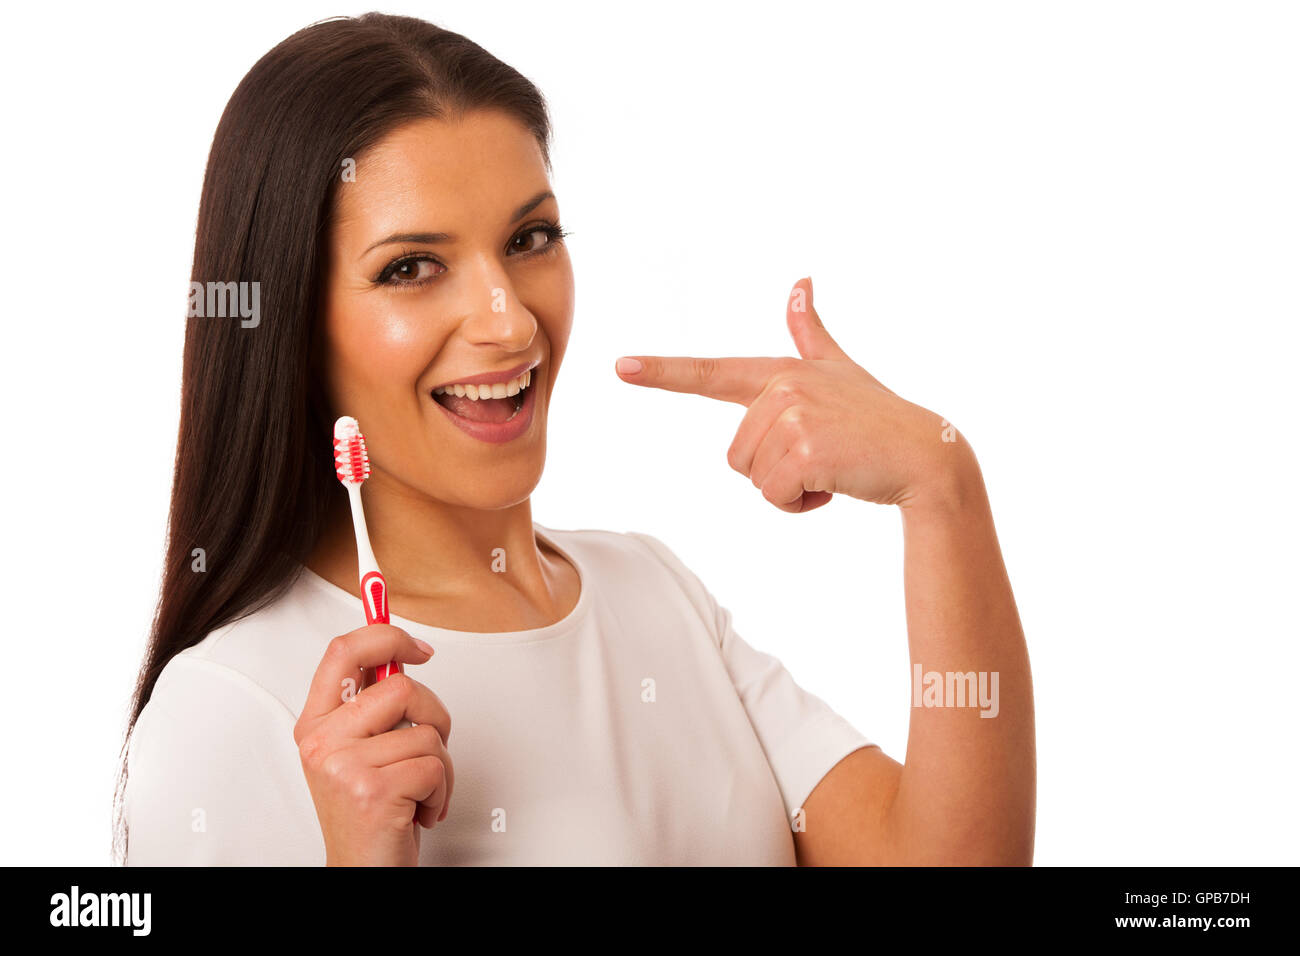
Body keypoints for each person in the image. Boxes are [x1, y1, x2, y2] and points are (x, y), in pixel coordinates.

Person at [117, 12, 1035, 866]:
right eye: (411, 267)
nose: (509, 322)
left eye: (531, 238)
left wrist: (940, 484)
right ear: (291, 324)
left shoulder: (655, 593)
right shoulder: (231, 706)